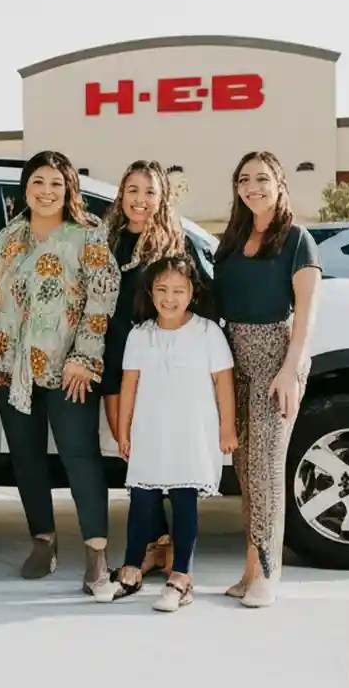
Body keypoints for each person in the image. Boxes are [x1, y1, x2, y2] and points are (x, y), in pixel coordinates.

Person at [0, 149, 121, 601]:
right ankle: (43, 541)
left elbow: (101, 300)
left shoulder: (88, 236)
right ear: (26, 188)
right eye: (38, 182)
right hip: (13, 366)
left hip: (70, 367)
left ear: (69, 188)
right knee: (25, 457)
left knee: (79, 456)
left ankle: (96, 554)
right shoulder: (9, 237)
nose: (47, 191)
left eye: (56, 183)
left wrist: (84, 357)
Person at [211, 150, 322, 608]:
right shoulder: (232, 239)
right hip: (234, 359)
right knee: (244, 470)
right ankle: (250, 570)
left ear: (279, 183)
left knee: (268, 471)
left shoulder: (297, 240)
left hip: (277, 361)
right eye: (243, 180)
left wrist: (290, 371)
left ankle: (269, 577)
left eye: (261, 178)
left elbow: (306, 316)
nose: (252, 187)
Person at [95, 159, 212, 579]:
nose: (139, 200)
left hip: (158, 361)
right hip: (114, 356)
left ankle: (171, 553)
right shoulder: (106, 238)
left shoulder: (172, 245)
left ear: (161, 198)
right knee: (135, 452)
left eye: (149, 192)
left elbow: (195, 301)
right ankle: (156, 543)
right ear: (121, 194)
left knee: (165, 450)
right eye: (132, 190)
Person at [102, 256, 237, 610]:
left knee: (184, 499)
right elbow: (129, 383)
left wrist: (227, 427)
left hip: (191, 431)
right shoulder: (140, 335)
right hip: (151, 430)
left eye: (178, 290)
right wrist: (124, 429)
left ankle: (182, 575)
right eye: (161, 289)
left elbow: (223, 381)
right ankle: (131, 567)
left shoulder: (208, 332)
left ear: (192, 292)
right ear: (150, 292)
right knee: (142, 499)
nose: (169, 298)